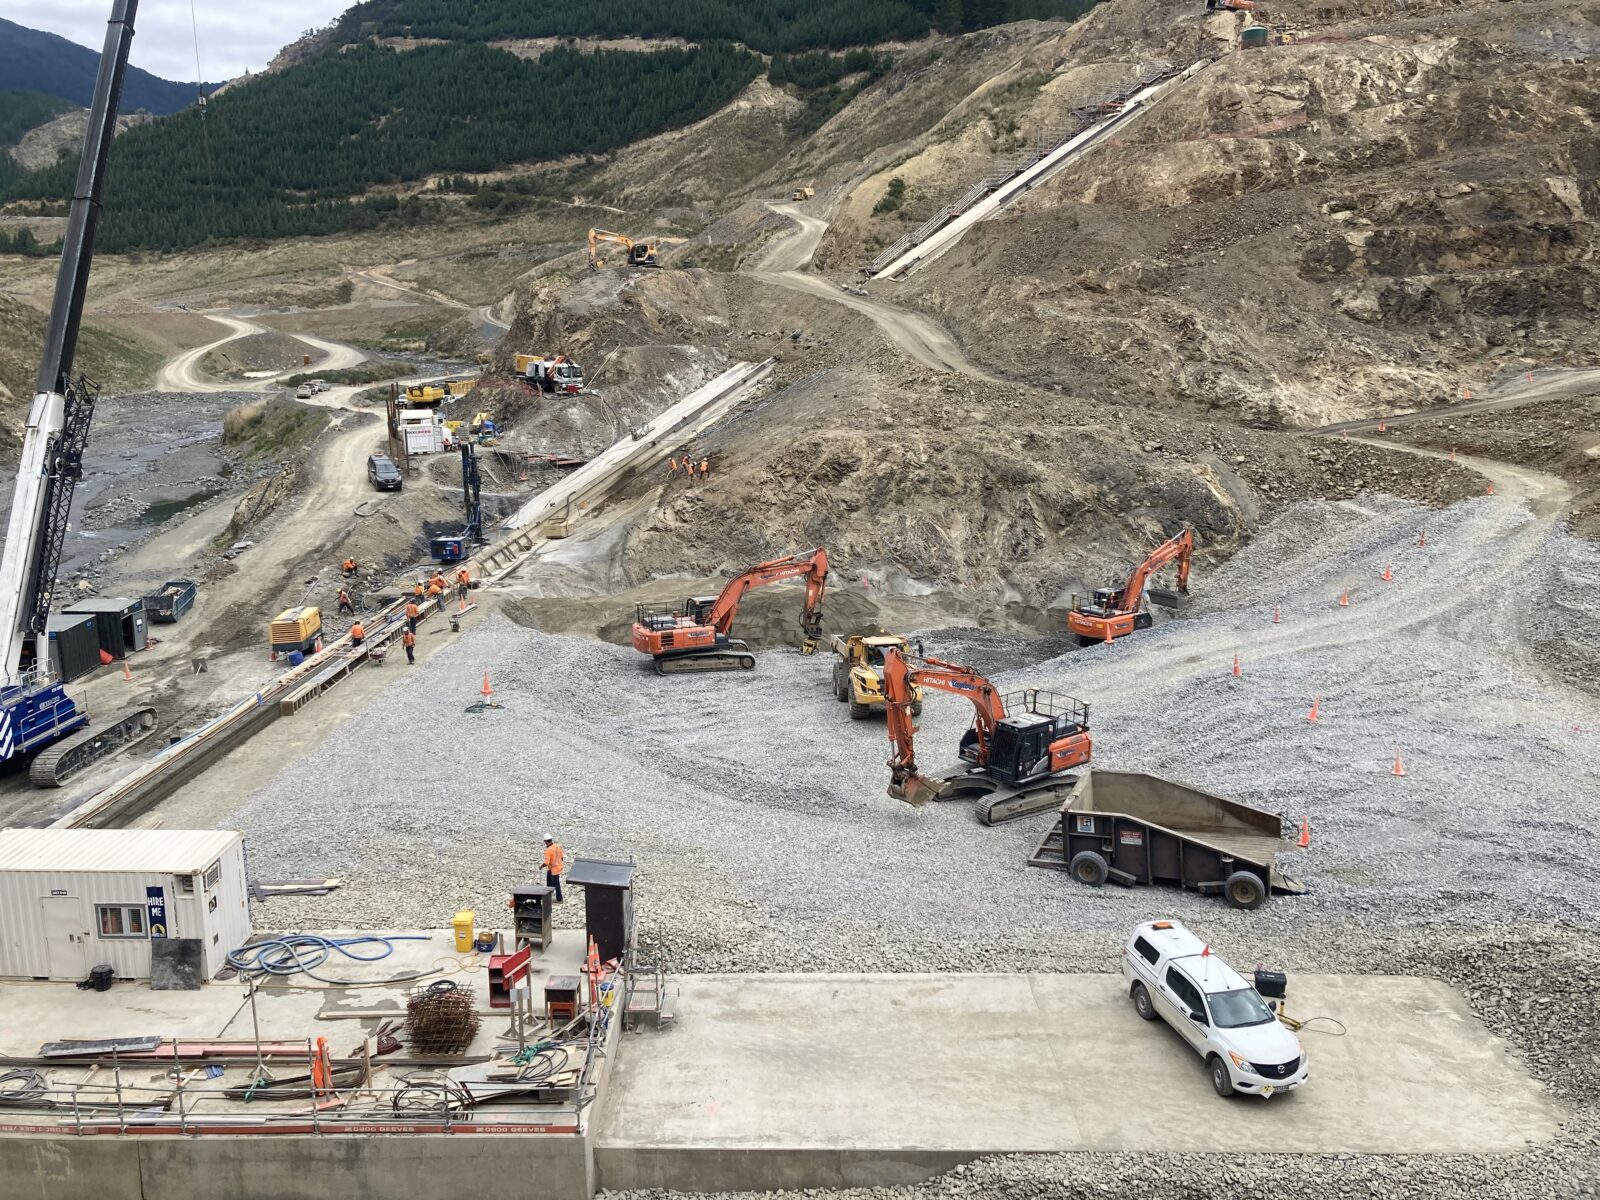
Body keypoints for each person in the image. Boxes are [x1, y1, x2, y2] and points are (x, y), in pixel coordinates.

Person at [542, 834, 566, 903]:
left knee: (556, 884)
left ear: (545, 841)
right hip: (557, 867)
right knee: (549, 881)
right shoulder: (557, 846)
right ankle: (549, 897)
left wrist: (541, 866)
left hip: (554, 869)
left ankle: (559, 899)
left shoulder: (548, 850)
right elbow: (562, 857)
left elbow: (546, 863)